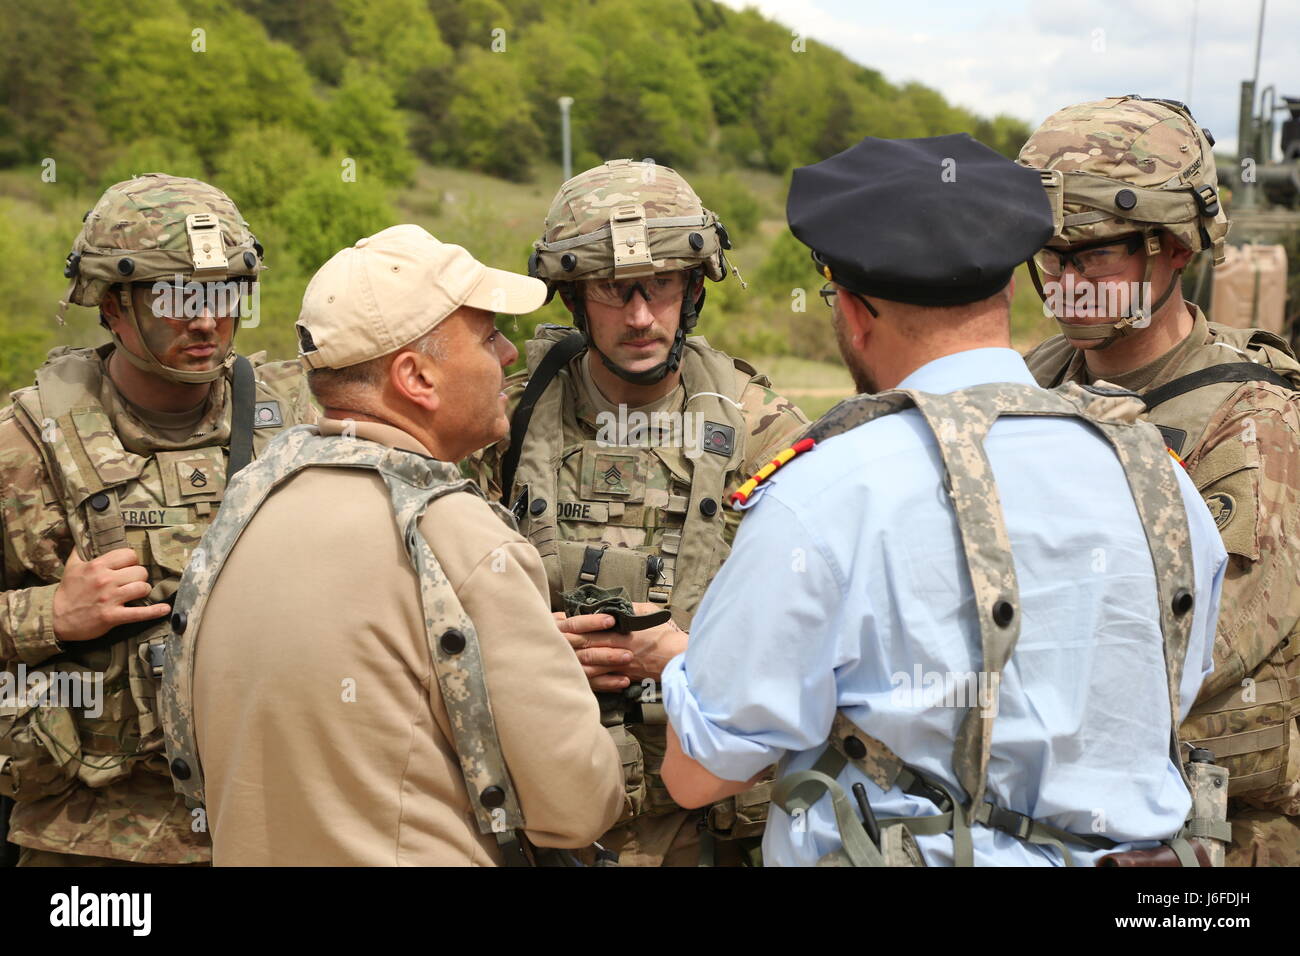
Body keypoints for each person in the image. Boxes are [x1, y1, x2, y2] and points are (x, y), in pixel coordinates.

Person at [660, 133, 1229, 866]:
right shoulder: (1157, 475)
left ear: (856, 313)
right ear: (1008, 292)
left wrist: (681, 658)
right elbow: (1168, 696)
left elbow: (698, 773)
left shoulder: (828, 492)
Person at [159, 224, 624, 866]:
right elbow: (575, 804)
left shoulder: (246, 512)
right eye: (488, 336)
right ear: (416, 378)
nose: (510, 356)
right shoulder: (459, 537)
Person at [469, 158, 809, 866]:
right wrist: (528, 651)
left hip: (710, 826)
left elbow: (813, 624)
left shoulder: (759, 426)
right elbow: (432, 592)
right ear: (571, 297)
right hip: (550, 813)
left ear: (694, 287)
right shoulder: (510, 417)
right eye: (612, 290)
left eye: (660, 286)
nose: (640, 316)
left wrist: (688, 658)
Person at [0, 173, 314, 866]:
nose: (205, 321)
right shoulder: (24, 447)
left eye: (224, 294)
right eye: (176, 298)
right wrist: (48, 615)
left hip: (277, 824)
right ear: (112, 306)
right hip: (93, 840)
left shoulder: (301, 421)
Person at [1019, 96, 1300, 866]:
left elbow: (1207, 648)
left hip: (1213, 834)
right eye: (1048, 255)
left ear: (1175, 247)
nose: (1065, 281)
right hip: (1049, 802)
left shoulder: (1252, 419)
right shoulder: (1031, 384)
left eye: (1094, 255)